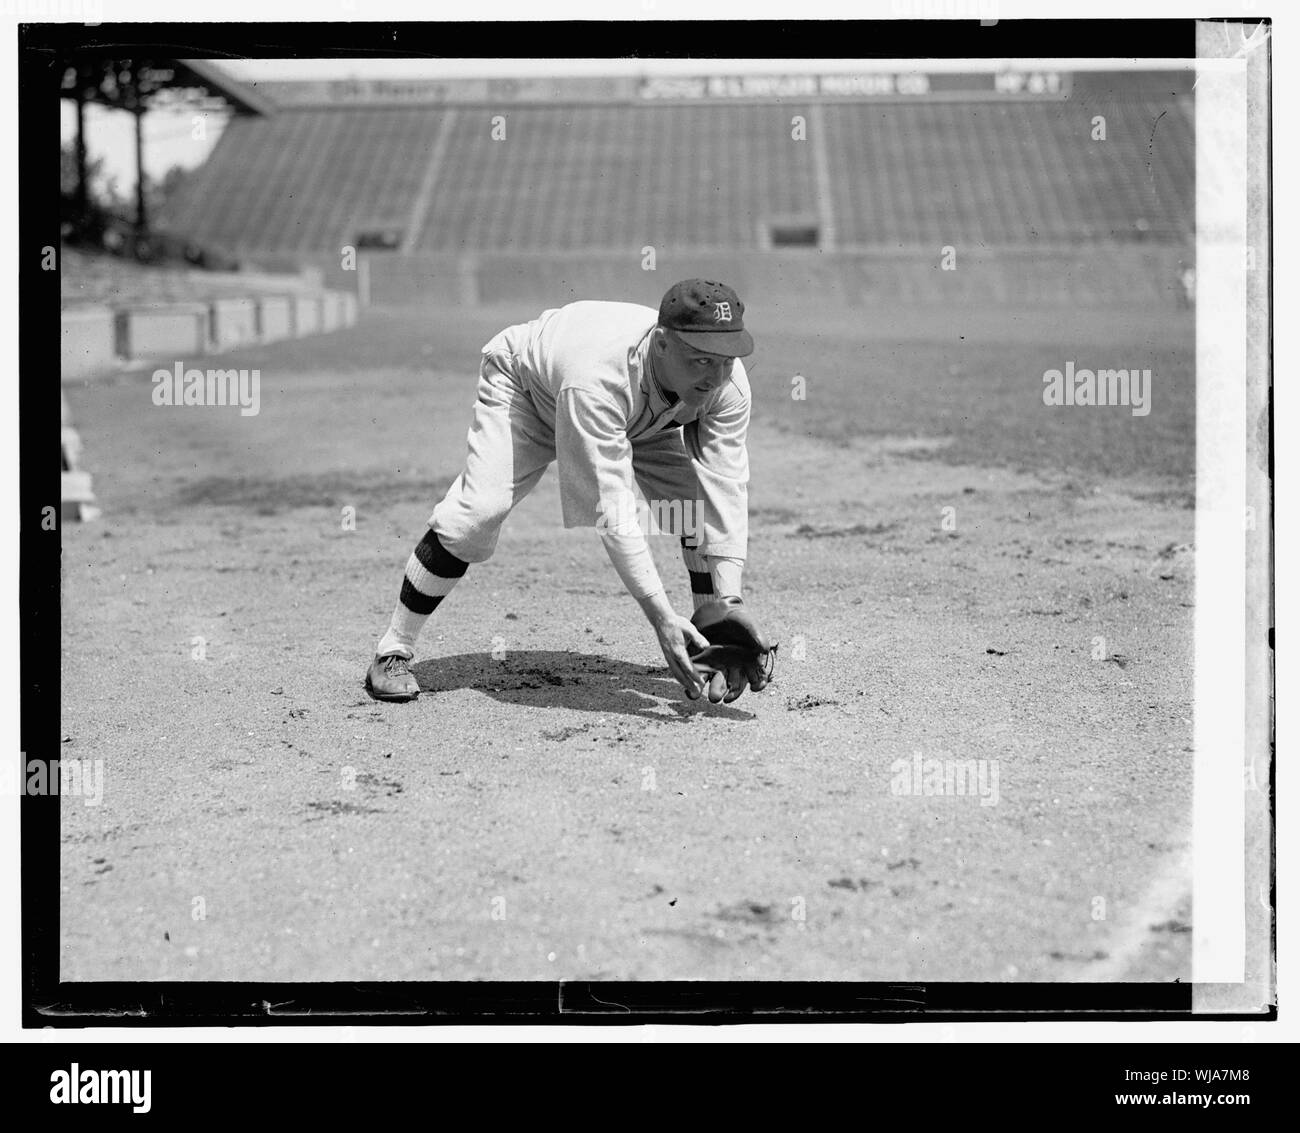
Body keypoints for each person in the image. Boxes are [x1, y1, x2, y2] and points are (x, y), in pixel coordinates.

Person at [365, 278, 771, 705]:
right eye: (702, 360)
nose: (716, 375)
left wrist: (729, 604)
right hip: (529, 391)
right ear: (663, 343)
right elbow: (613, 512)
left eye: (727, 359)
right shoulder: (597, 378)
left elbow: (724, 491)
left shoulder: (726, 381)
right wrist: (661, 618)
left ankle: (707, 641)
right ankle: (393, 648)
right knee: (476, 515)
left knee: (693, 510)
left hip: (639, 417)